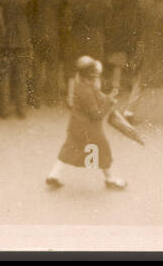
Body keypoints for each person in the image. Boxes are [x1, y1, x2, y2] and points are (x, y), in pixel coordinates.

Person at [46, 57, 128, 190]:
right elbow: (97, 115)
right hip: (89, 129)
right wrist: (109, 103)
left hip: (76, 126)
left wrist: (108, 98)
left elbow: (97, 95)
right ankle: (110, 179)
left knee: (69, 148)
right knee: (103, 150)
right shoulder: (88, 90)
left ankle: (53, 175)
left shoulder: (82, 86)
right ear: (91, 75)